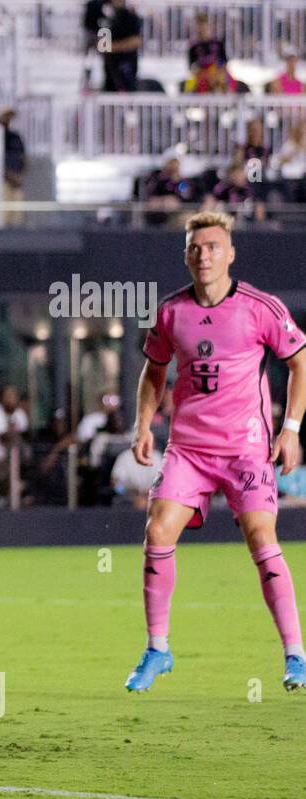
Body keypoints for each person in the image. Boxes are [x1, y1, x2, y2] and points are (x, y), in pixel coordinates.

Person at [127, 211, 306, 693]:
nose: (203, 255)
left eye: (212, 246)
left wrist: (290, 429)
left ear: (230, 253)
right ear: (185, 255)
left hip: (246, 448)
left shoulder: (259, 307)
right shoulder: (170, 312)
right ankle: (157, 650)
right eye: (194, 247)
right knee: (158, 527)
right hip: (188, 449)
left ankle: (296, 656)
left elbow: (299, 363)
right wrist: (143, 425)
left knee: (260, 534)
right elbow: (154, 372)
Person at [102, 0, 142, 93]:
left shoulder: (131, 17)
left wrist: (113, 47)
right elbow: (102, 45)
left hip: (127, 65)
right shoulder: (105, 17)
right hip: (111, 67)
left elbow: (136, 41)